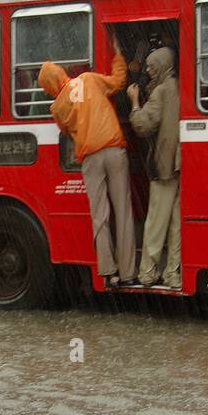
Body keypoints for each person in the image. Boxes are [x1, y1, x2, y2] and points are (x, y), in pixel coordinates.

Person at [40, 39, 136, 287]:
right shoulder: (89, 79)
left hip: (90, 157)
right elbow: (117, 82)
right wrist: (117, 54)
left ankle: (109, 271)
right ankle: (128, 272)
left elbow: (68, 131)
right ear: (62, 72)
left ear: (48, 87)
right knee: (123, 211)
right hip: (114, 149)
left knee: (100, 215)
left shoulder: (56, 107)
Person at [128, 46, 181, 289]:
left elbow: (142, 125)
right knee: (176, 225)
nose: (148, 71)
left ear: (162, 66)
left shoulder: (161, 91)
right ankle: (173, 274)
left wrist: (135, 102)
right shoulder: (179, 86)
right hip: (180, 164)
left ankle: (148, 273)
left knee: (156, 224)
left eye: (152, 66)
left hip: (163, 166)